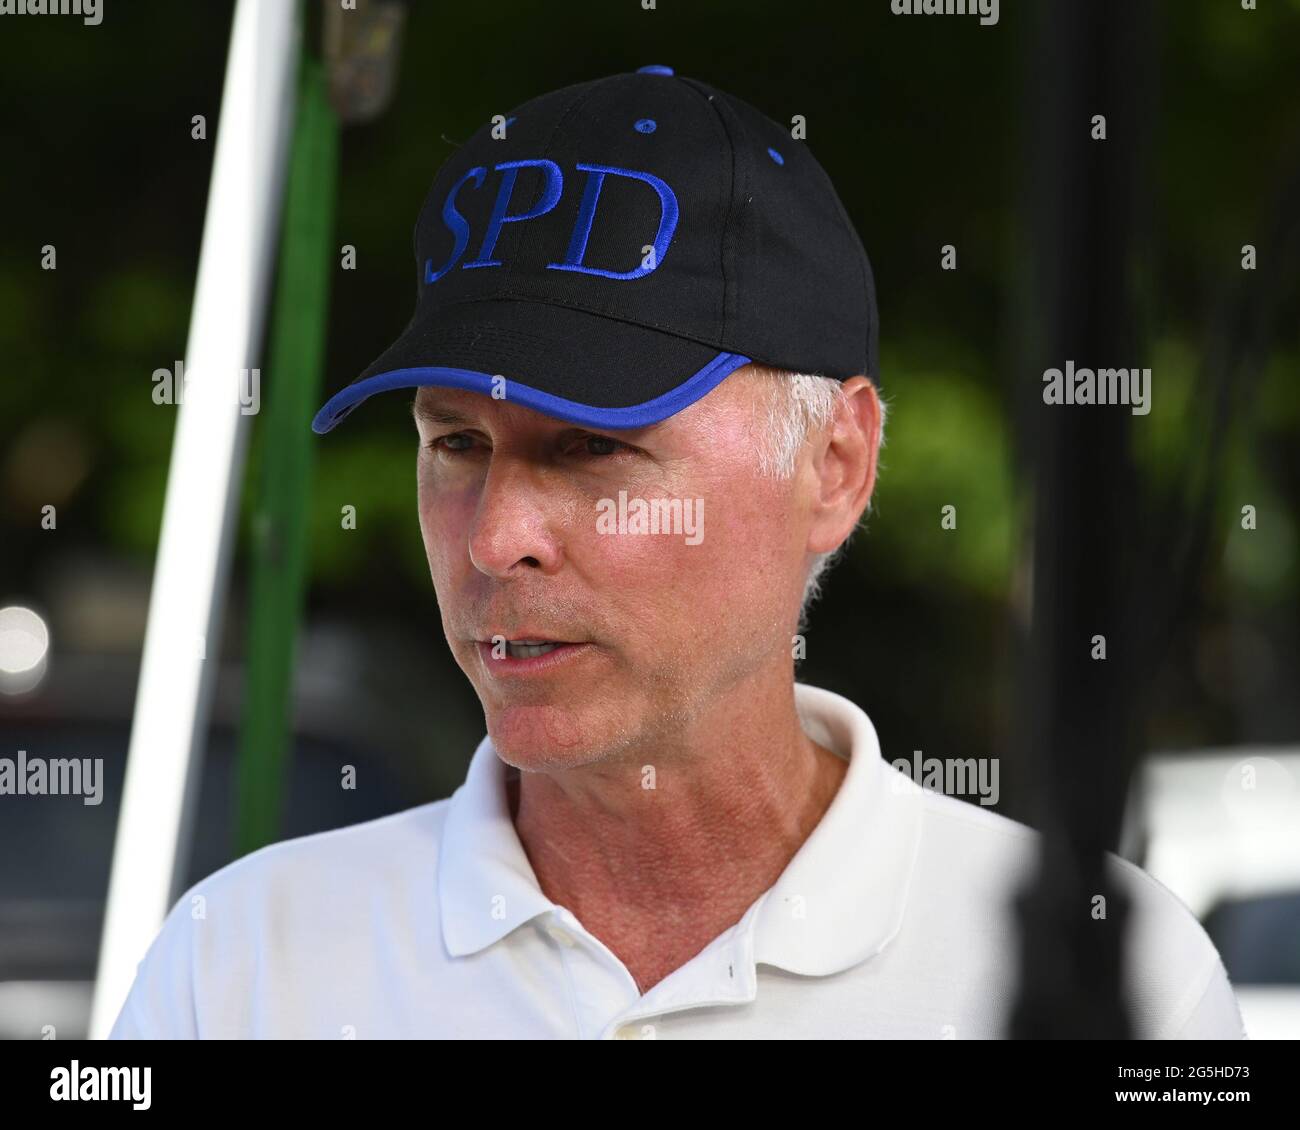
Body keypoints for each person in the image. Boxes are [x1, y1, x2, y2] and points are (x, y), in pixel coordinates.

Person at [110, 66, 1244, 1039]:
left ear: (835, 465)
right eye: (456, 441)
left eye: (593, 446)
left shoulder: (1117, 971)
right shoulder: (242, 967)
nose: (498, 536)